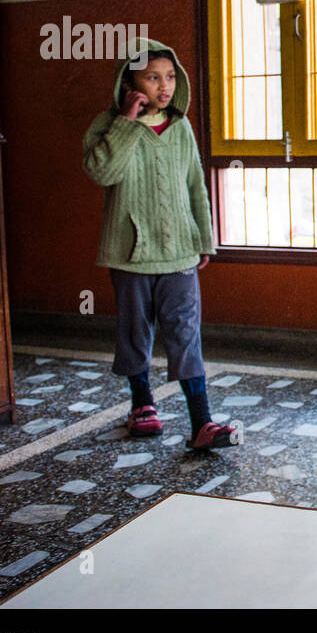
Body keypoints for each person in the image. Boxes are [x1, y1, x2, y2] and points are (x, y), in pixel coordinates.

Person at [83, 38, 236, 451]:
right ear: (129, 81)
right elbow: (103, 172)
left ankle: (202, 423)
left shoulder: (180, 126)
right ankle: (142, 405)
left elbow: (194, 186)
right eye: (152, 77)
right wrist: (127, 124)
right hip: (130, 255)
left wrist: (204, 238)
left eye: (169, 77)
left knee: (186, 335)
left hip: (179, 253)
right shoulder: (107, 125)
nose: (163, 86)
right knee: (135, 333)